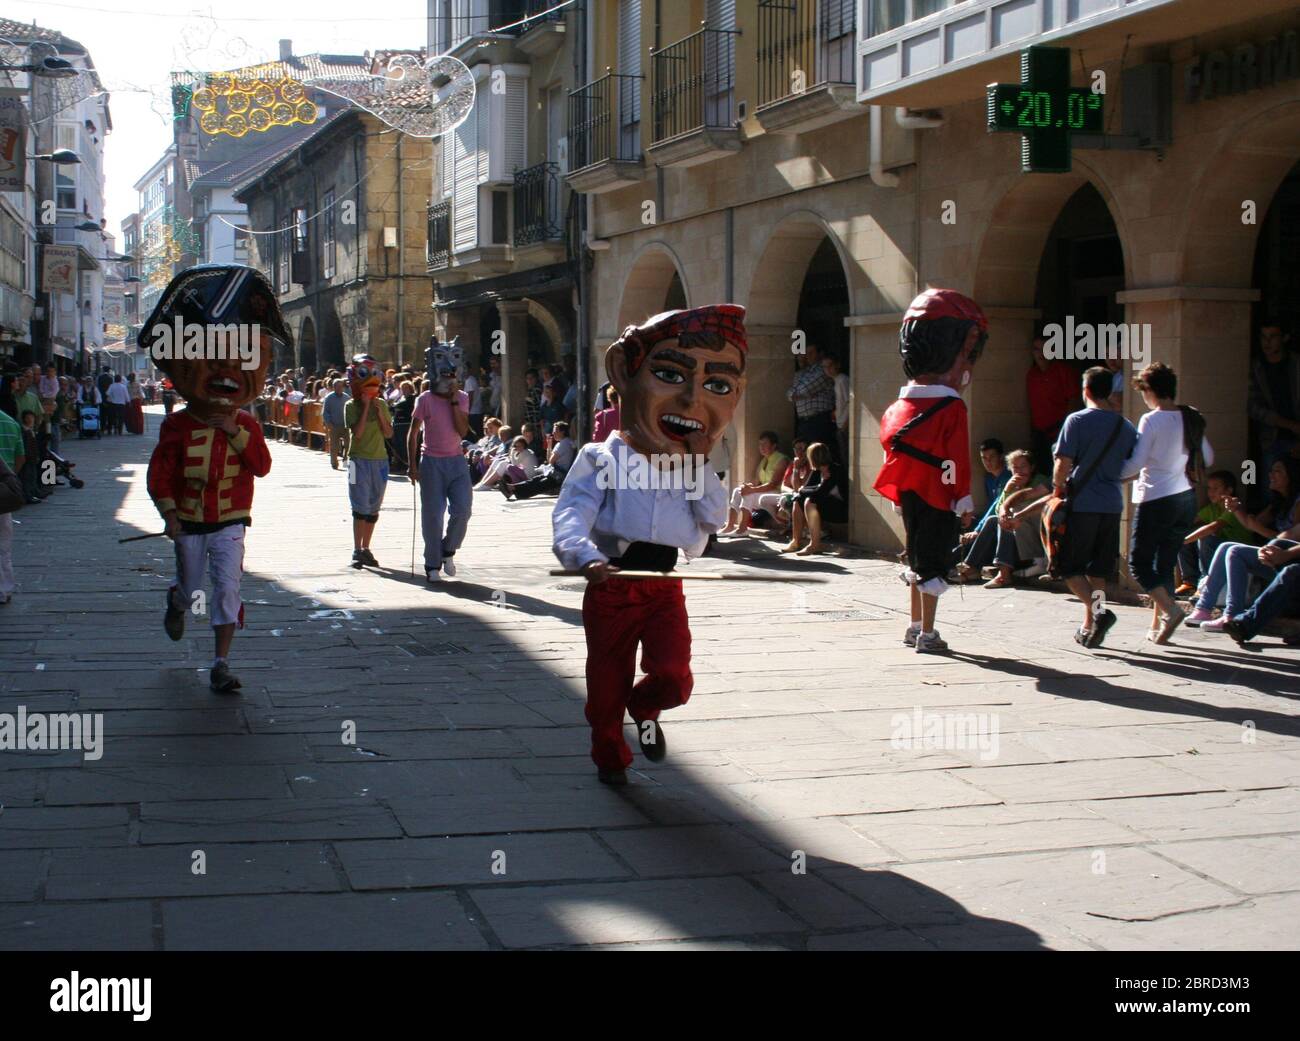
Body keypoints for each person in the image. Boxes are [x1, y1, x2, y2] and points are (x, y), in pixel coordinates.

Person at [553, 304, 743, 786]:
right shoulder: (602, 458)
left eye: (717, 386)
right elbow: (572, 513)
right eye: (667, 374)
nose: (691, 400)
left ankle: (646, 706)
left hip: (664, 585)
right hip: (613, 583)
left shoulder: (688, 463)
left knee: (675, 674)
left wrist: (699, 466)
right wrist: (585, 556)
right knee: (605, 684)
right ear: (624, 375)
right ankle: (611, 755)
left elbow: (715, 518)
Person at [141, 265, 281, 693]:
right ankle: (177, 601)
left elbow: (261, 465)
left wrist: (234, 432)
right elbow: (160, 473)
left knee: (227, 588)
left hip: (230, 523)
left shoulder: (246, 424)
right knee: (189, 584)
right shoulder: (178, 426)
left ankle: (221, 662)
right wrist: (169, 512)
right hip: (189, 521)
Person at [875, 288, 987, 653]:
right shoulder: (951, 408)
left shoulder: (898, 406)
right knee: (934, 563)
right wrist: (961, 497)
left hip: (908, 492)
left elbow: (891, 450)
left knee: (915, 555)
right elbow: (955, 460)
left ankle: (913, 626)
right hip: (939, 496)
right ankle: (929, 633)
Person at [1120, 362, 1213, 642]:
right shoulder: (1190, 417)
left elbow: (1136, 461)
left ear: (1150, 390)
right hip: (1185, 497)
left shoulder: (1152, 419)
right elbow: (1207, 458)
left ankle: (1170, 611)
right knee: (1165, 563)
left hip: (1156, 497)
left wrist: (1109, 476)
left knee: (1139, 563)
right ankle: (1159, 626)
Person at [1052, 366, 1140, 648]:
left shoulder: (1076, 421)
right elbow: (1136, 468)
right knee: (1098, 570)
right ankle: (1090, 625)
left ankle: (1100, 614)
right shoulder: (1124, 425)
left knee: (1069, 568)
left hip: (1083, 504)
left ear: (1086, 390)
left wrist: (1058, 488)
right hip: (1113, 504)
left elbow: (1062, 464)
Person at [1188, 458, 1300, 631]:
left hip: (1290, 562)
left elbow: (1287, 541)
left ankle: (1232, 614)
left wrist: (1264, 534)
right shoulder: (1277, 503)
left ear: (1291, 476)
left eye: (1278, 471)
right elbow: (1251, 525)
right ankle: (1204, 608)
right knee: (1226, 547)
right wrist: (1237, 510)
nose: (1271, 475)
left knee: (1234, 551)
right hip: (1275, 556)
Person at [407, 363, 472, 583]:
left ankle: (448, 550)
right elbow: (413, 432)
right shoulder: (424, 399)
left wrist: (453, 400)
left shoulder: (462, 397)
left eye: (452, 378)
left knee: (462, 509)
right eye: (445, 378)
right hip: (432, 462)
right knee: (433, 516)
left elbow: (462, 430)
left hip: (456, 460)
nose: (448, 382)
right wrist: (412, 465)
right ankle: (432, 563)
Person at [343, 355, 392, 568]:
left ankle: (367, 547)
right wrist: (364, 407)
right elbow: (358, 433)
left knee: (373, 507)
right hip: (357, 460)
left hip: (379, 460)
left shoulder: (381, 403)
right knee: (359, 505)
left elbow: (389, 434)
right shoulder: (350, 406)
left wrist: (379, 412)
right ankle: (357, 548)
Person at [1177, 471, 1255, 595]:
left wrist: (1182, 540)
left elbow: (1213, 527)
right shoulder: (1212, 509)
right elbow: (1190, 522)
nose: (1211, 492)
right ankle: (1190, 582)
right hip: (1220, 551)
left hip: (1239, 552)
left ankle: (1206, 582)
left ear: (1229, 490)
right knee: (1182, 534)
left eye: (1215, 488)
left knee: (1205, 537)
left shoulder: (1234, 507)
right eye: (1209, 488)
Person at [982, 449, 1051, 588]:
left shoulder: (1039, 480)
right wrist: (1007, 491)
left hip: (1039, 525)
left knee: (1013, 513)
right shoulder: (1011, 484)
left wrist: (1008, 510)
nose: (1019, 471)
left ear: (1031, 467)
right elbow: (999, 508)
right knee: (996, 519)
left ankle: (1008, 571)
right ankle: (979, 567)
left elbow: (1027, 498)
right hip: (1019, 530)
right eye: (1015, 467)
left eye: (1023, 466)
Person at [954, 438, 1011, 577]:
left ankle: (968, 565)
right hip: (989, 519)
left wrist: (978, 529)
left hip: (1003, 520)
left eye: (992, 457)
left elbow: (997, 505)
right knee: (963, 521)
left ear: (1001, 457)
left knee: (986, 524)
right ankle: (948, 557)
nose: (988, 462)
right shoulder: (988, 478)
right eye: (984, 458)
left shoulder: (1008, 477)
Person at [1248, 321, 1300, 473]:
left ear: (1284, 338)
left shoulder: (1296, 364)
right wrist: (1289, 425)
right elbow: (1253, 407)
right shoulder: (1256, 367)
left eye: (1273, 337)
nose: (1267, 342)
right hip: (1271, 440)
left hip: (1296, 437)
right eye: (1263, 337)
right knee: (1270, 489)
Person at [780, 441, 847, 555]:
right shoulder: (817, 471)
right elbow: (805, 488)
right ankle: (795, 541)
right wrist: (804, 490)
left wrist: (804, 490)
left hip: (841, 510)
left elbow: (819, 492)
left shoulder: (834, 470)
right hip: (825, 504)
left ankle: (815, 545)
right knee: (798, 501)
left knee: (809, 502)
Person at [1026, 334, 1078, 477]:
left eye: (1045, 349)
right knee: (1042, 474)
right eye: (1037, 349)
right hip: (1040, 435)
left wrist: (1067, 429)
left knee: (1060, 474)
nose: (1041, 353)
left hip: (1059, 433)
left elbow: (1073, 401)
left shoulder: (1063, 371)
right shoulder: (1032, 374)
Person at [718, 431, 788, 536]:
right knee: (738, 491)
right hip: (764, 492)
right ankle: (730, 526)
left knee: (749, 494)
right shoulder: (764, 460)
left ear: (774, 446)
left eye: (764, 444)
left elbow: (773, 484)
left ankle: (743, 529)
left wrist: (751, 490)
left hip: (777, 493)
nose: (761, 447)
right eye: (760, 444)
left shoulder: (781, 460)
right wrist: (747, 486)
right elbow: (756, 481)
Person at [787, 344, 837, 457]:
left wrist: (800, 394)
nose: (807, 356)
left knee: (818, 456)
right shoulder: (802, 373)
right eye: (806, 353)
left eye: (811, 353)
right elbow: (789, 395)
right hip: (804, 422)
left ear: (820, 354)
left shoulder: (823, 370)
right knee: (804, 457)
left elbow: (804, 389)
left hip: (819, 420)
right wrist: (805, 395)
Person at [506, 421, 575, 500]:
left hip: (558, 475)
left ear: (562, 432)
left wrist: (551, 457)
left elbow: (551, 461)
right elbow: (549, 459)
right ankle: (513, 488)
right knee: (535, 480)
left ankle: (513, 489)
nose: (553, 433)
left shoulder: (564, 443)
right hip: (553, 471)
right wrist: (549, 445)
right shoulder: (560, 443)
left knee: (539, 484)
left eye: (555, 431)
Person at [0, 406, 21, 604]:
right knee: (4, 546)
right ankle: (4, 588)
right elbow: (20, 457)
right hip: (3, 497)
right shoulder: (10, 422)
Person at [824, 354, 851, 466]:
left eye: (829, 366)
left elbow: (850, 402)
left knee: (845, 459)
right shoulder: (836, 381)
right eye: (824, 367)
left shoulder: (842, 380)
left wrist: (845, 425)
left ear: (837, 365)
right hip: (840, 424)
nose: (827, 369)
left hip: (844, 426)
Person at [321, 378, 349, 470]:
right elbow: (325, 412)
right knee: (334, 446)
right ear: (334, 387)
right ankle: (334, 463)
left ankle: (345, 461)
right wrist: (328, 423)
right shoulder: (329, 398)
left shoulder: (346, 397)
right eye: (337, 386)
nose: (339, 388)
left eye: (341, 386)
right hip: (334, 425)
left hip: (345, 425)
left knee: (348, 445)